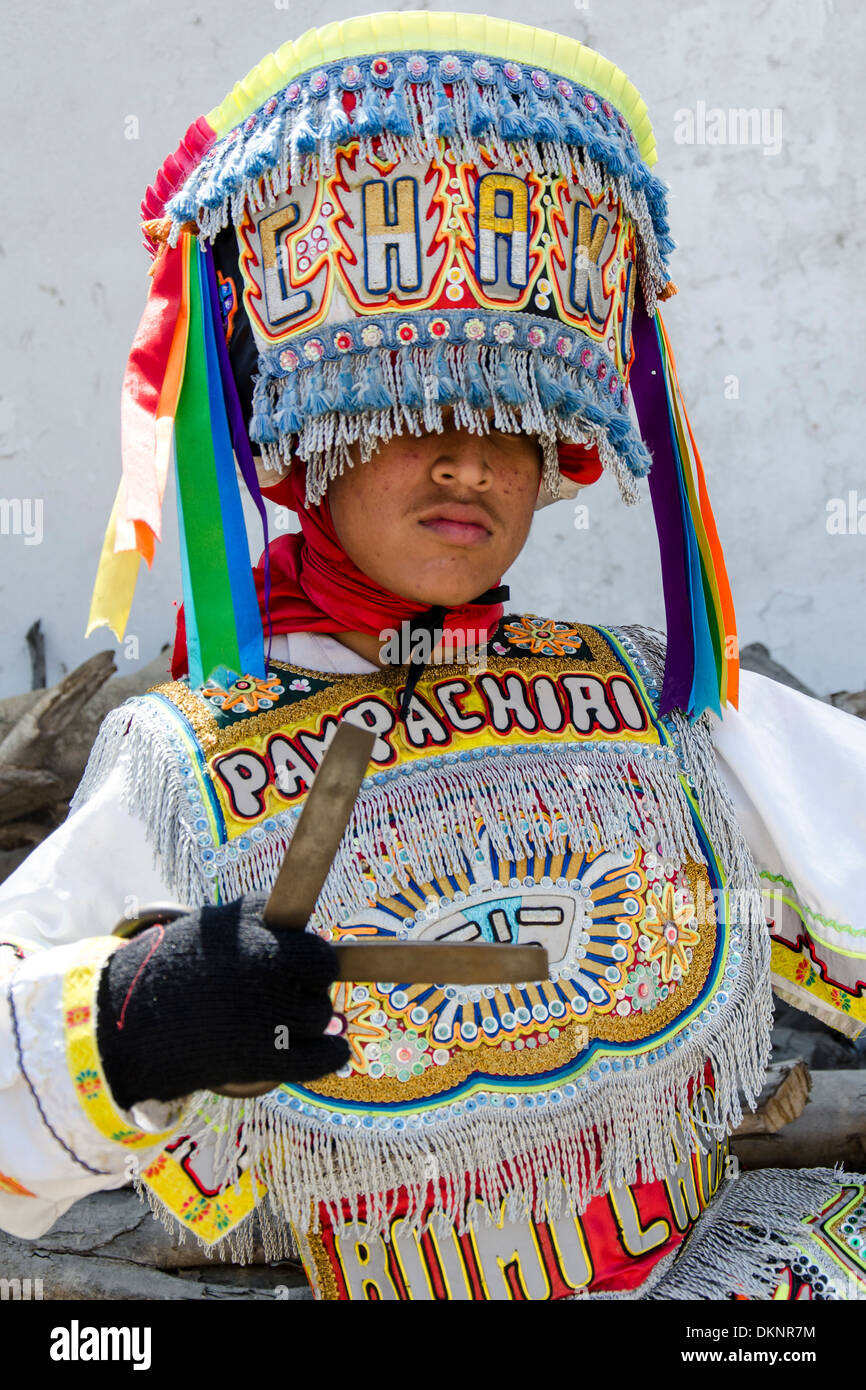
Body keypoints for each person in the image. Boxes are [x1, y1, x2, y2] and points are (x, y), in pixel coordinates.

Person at [1, 12, 865, 1301]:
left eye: (507, 423)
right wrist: (135, 1018)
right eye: (416, 414)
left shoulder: (651, 701)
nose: (469, 464)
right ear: (312, 442)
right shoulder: (187, 766)